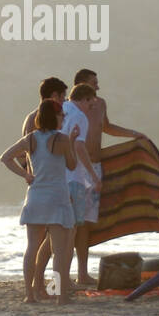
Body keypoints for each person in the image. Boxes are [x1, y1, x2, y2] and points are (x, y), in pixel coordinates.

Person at [0, 99, 77, 304]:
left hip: (36, 197)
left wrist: (26, 175)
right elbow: (71, 164)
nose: (64, 118)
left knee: (32, 247)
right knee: (59, 252)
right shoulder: (62, 140)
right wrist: (72, 142)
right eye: (62, 115)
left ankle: (30, 294)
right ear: (56, 117)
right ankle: (60, 297)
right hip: (57, 197)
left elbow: (5, 157)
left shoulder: (30, 139)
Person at [72, 71, 145, 283]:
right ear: (82, 85)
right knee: (71, 223)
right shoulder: (70, 108)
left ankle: (82, 273)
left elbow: (107, 128)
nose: (98, 87)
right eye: (94, 83)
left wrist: (134, 134)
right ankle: (62, 274)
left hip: (95, 165)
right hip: (75, 167)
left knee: (86, 222)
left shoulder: (101, 103)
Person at [33, 84, 101, 287]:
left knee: (52, 235)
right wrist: (93, 177)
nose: (92, 107)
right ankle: (62, 281)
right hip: (74, 181)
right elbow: (79, 147)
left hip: (55, 180)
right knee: (69, 234)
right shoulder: (80, 116)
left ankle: (39, 281)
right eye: (91, 102)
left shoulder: (62, 111)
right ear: (84, 99)